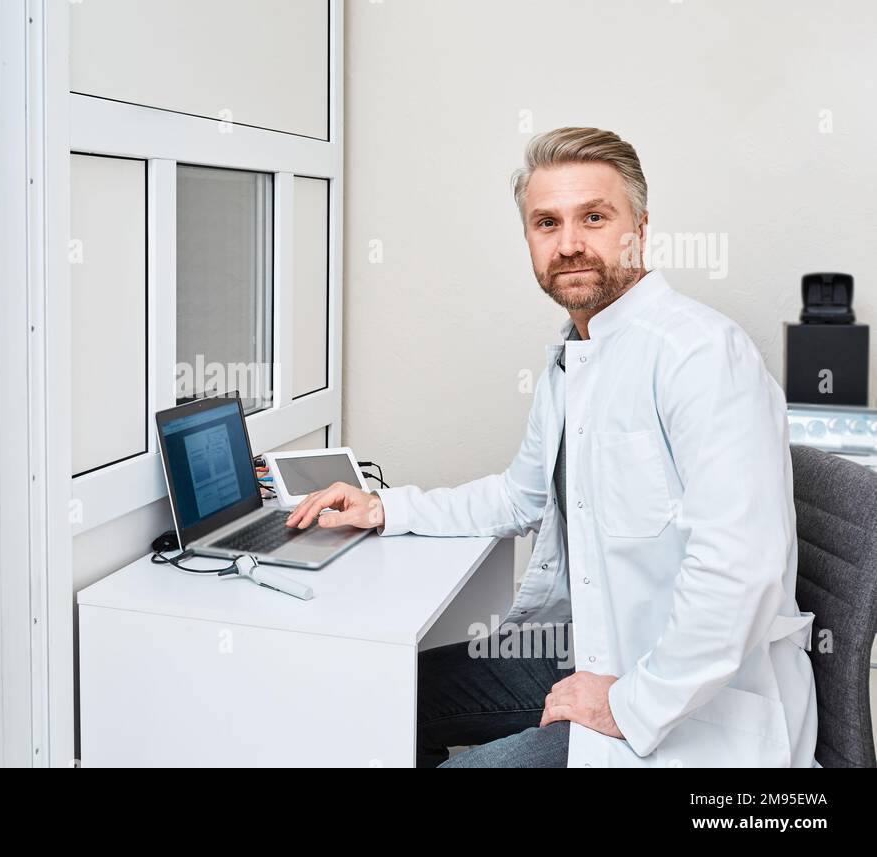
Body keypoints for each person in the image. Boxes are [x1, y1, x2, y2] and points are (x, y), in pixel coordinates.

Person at [285, 127, 817, 768]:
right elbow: (520, 495)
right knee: (392, 691)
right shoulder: (575, 358)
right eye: (546, 222)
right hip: (600, 652)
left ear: (638, 229)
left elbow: (740, 574)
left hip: (694, 702)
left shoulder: (701, 355)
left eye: (594, 217)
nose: (569, 244)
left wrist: (626, 705)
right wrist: (383, 510)